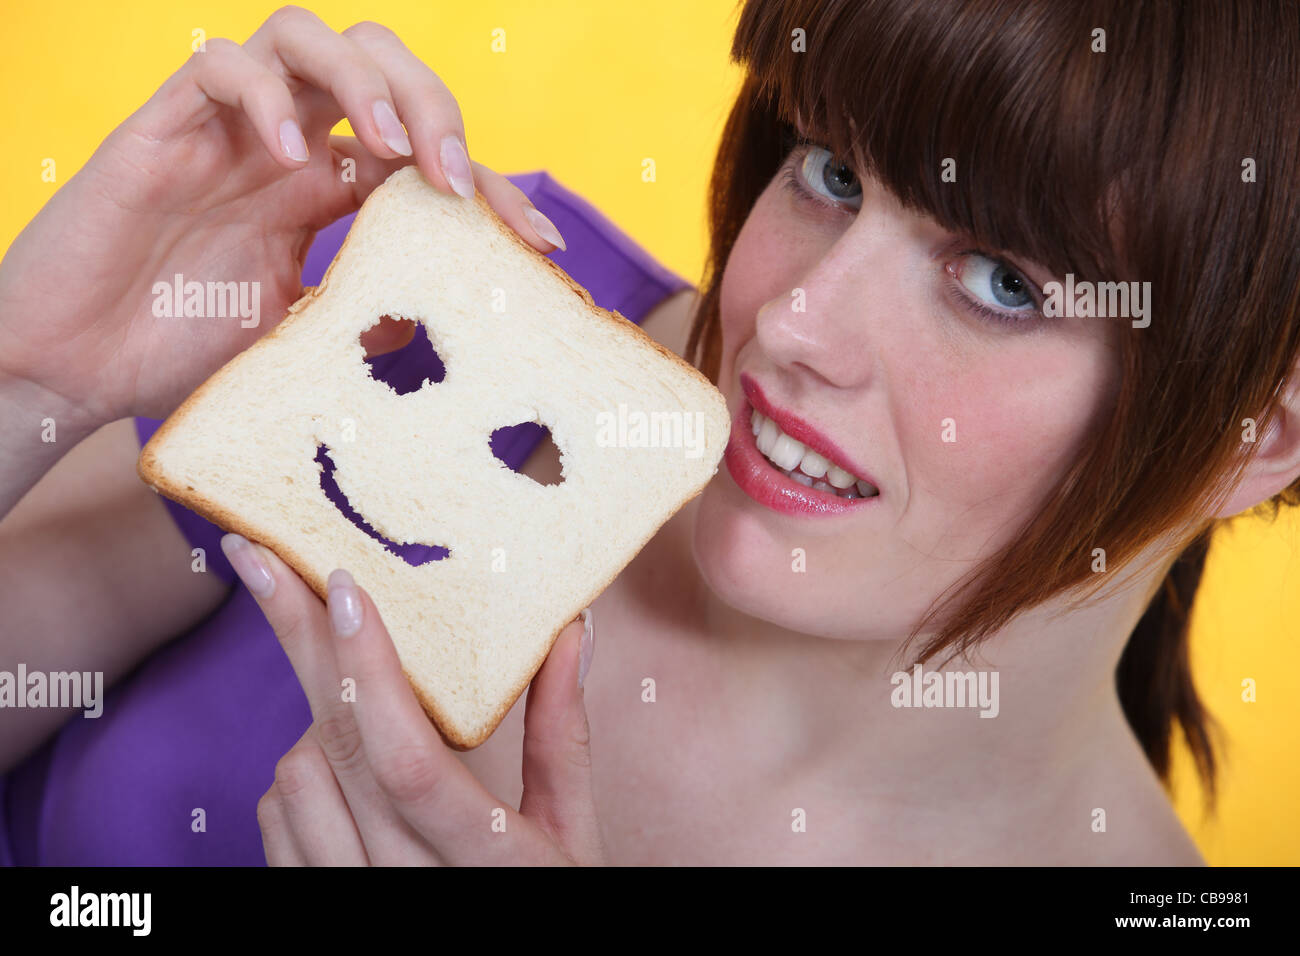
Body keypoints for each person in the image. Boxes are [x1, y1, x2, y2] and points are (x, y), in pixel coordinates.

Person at [2, 0, 1298, 865]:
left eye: (1005, 282)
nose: (791, 320)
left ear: (1261, 434)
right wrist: (30, 392)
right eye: (833, 173)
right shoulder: (447, 328)